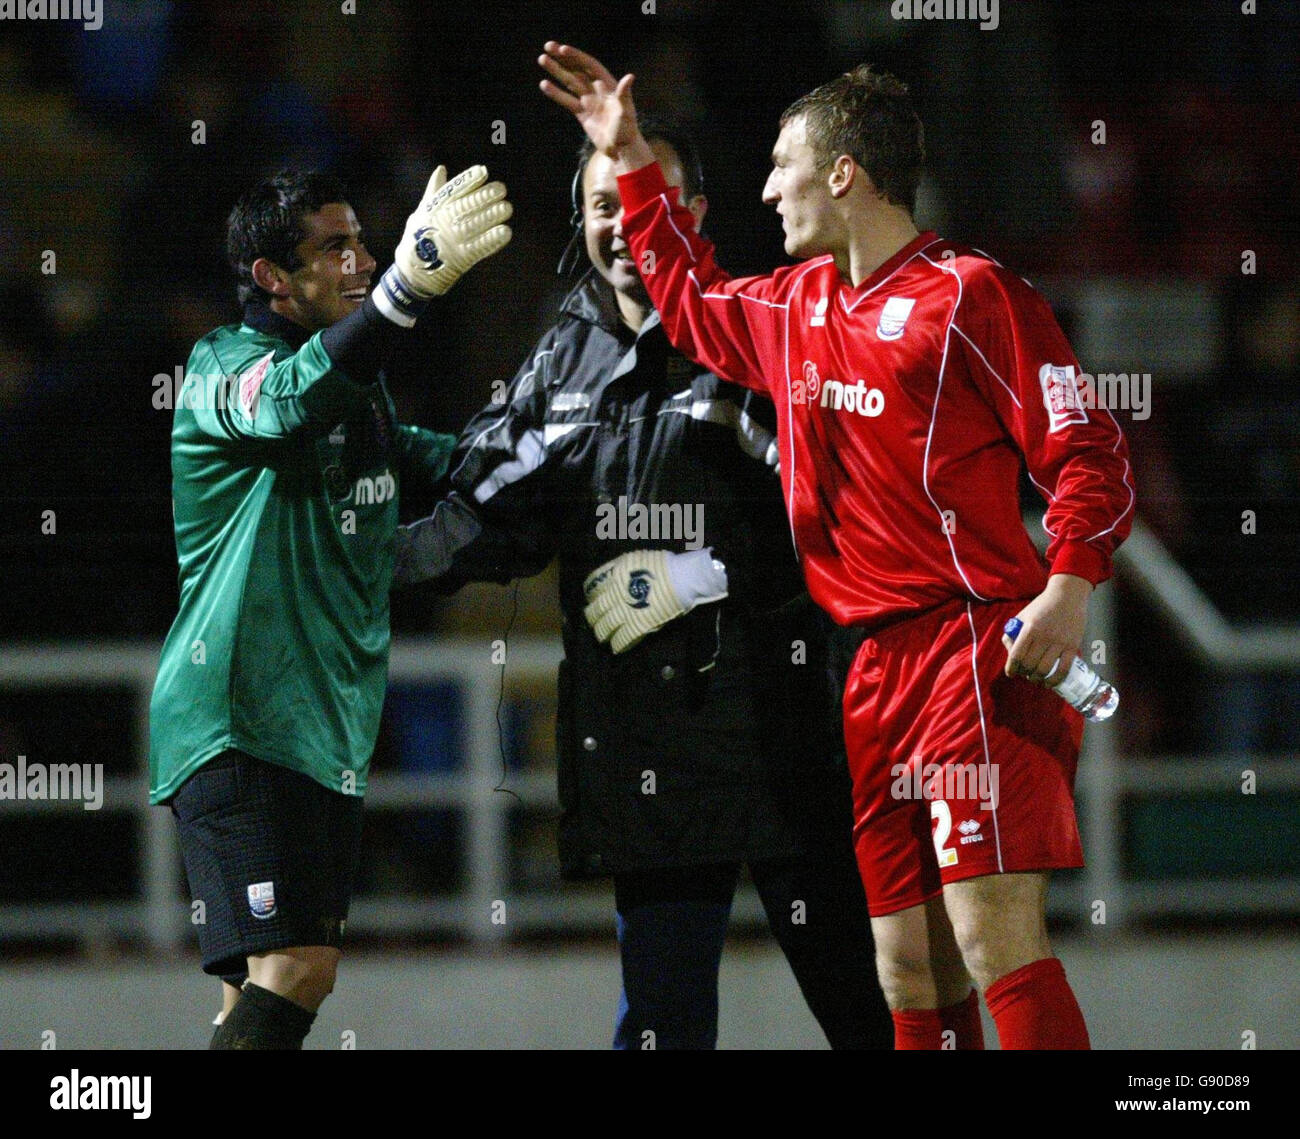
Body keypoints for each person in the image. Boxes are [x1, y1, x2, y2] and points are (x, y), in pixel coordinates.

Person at [539, 43, 1136, 1050]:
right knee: (904, 968)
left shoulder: (970, 297)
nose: (765, 187)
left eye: (782, 163)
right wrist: (632, 163)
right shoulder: (794, 307)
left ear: (842, 172)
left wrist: (1069, 587)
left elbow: (1086, 452)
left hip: (969, 653)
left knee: (992, 939)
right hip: (865, 671)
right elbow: (685, 300)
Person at [395, 120, 893, 1050]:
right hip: (647, 752)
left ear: (691, 215)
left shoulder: (759, 337)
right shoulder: (561, 358)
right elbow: (486, 513)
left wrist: (702, 573)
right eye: (600, 206)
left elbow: (853, 524)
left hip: (792, 734)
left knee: (868, 1006)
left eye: (642, 204)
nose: (621, 225)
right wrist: (343, 565)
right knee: (661, 1027)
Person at [148, 165, 512, 1048]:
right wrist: (400, 294)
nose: (362, 258)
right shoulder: (219, 366)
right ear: (271, 276)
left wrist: (556, 443)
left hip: (318, 728)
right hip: (237, 717)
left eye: (365, 240)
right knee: (297, 966)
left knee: (258, 990)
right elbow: (291, 404)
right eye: (334, 246)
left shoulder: (358, 385)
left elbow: (437, 457)